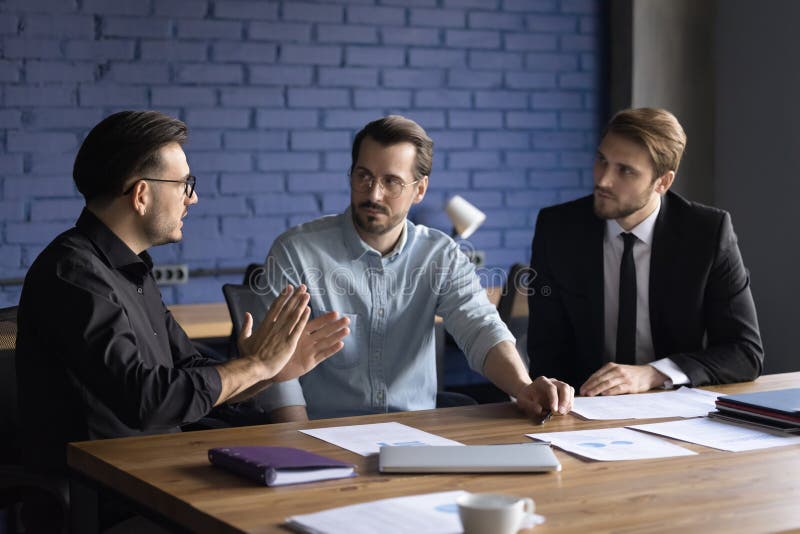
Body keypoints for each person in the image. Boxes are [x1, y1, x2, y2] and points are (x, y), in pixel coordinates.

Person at [15, 111, 350, 478]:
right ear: (142, 195)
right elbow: (149, 401)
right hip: (102, 493)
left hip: (158, 470)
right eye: (184, 184)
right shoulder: (73, 274)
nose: (193, 199)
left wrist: (270, 372)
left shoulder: (132, 267)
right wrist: (253, 366)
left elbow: (186, 374)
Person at [259, 115, 574, 422]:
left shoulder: (440, 254)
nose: (373, 193)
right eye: (363, 176)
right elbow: (273, 363)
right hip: (322, 432)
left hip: (415, 433)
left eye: (391, 182)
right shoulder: (295, 251)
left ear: (420, 189)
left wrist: (523, 387)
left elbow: (480, 328)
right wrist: (297, 439)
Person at [527, 107, 764, 396]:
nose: (603, 180)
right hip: (583, 407)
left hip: (675, 409)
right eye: (602, 160)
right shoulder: (559, 229)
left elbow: (745, 352)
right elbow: (545, 348)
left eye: (625, 170)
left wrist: (654, 373)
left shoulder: (706, 233)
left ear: (662, 182)